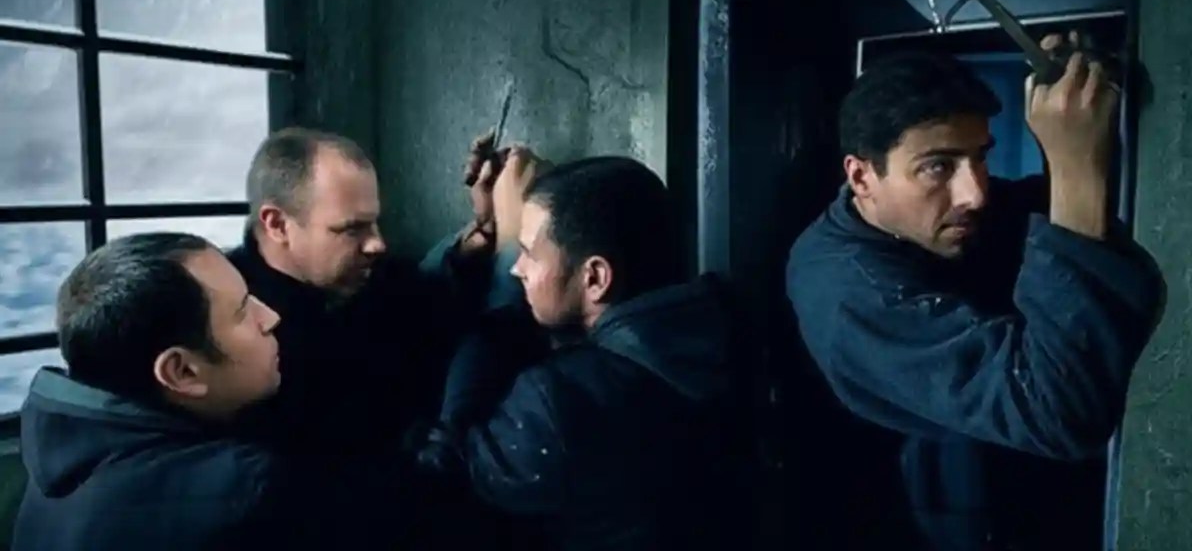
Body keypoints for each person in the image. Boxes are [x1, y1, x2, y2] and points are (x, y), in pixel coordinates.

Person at [785, 34, 1165, 550]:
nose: (975, 193)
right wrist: (1076, 170)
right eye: (937, 166)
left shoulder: (944, 216)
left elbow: (1056, 213)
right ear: (862, 177)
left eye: (980, 158)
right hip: (959, 518)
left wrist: (1081, 107)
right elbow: (1058, 415)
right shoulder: (849, 292)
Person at [410, 154, 741, 551]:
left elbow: (439, 480)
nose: (518, 268)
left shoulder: (556, 403)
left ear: (595, 277)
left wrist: (499, 267)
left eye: (528, 252)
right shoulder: (726, 331)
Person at [11, 233, 404, 550]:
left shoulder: (55, 471)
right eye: (241, 311)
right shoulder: (243, 494)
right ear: (181, 371)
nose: (270, 316)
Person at [226, 127, 510, 548]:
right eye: (351, 229)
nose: (377, 243)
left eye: (374, 222)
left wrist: (481, 237)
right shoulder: (233, 332)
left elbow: (423, 301)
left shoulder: (367, 274)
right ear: (277, 224)